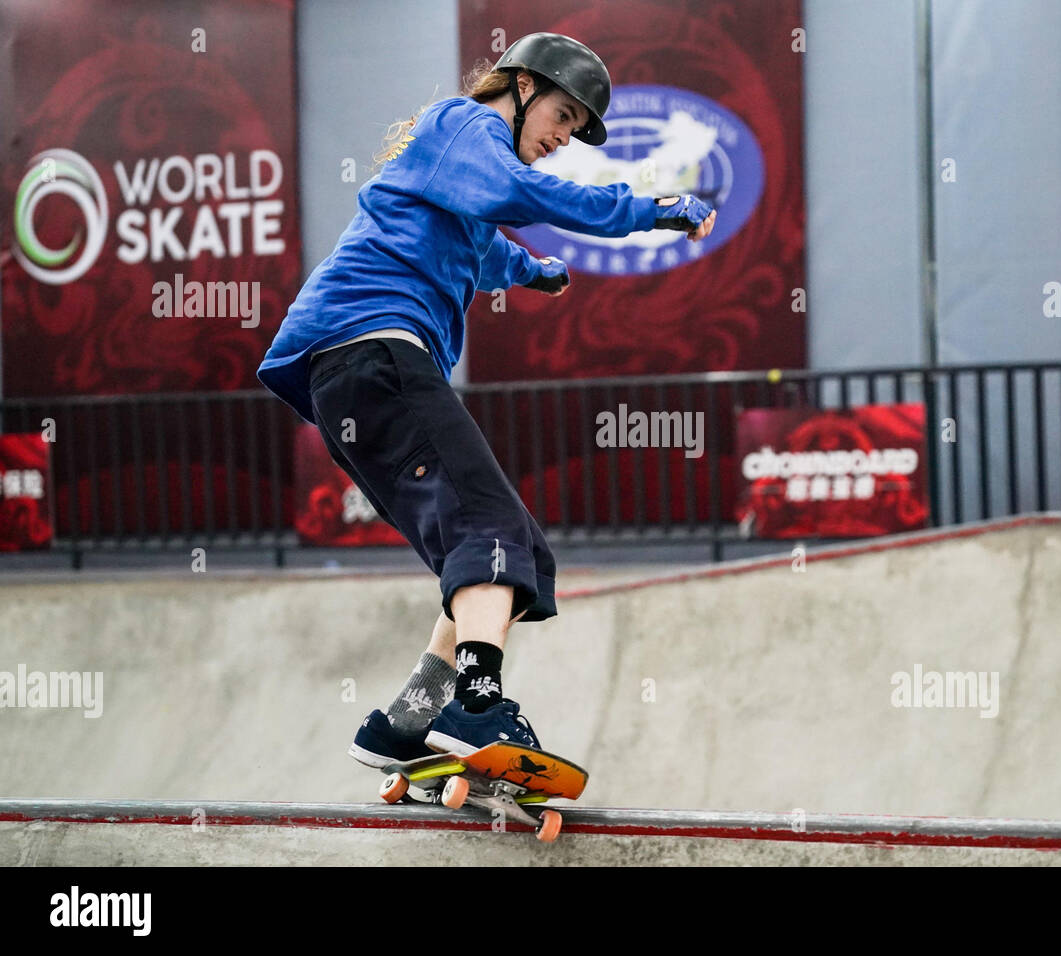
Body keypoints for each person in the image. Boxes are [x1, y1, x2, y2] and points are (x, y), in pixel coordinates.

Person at [256, 33, 717, 766]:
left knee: (514, 549)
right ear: (523, 87)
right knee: (488, 527)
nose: (562, 139)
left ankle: (407, 721)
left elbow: (483, 245)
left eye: (573, 131)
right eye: (561, 117)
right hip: (370, 349)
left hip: (358, 376)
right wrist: (644, 210)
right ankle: (477, 707)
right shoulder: (463, 125)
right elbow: (515, 194)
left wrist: (536, 272)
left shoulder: (457, 179)